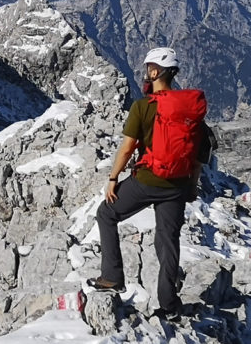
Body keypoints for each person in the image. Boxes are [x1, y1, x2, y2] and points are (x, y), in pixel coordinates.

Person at [90, 47, 210, 315]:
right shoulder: (189, 110)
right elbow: (201, 154)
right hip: (178, 184)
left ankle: (112, 277)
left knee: (106, 213)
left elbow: (127, 148)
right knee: (168, 241)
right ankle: (169, 305)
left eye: (148, 68)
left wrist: (113, 178)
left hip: (147, 180)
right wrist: (191, 186)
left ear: (155, 71)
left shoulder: (143, 107)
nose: (146, 73)